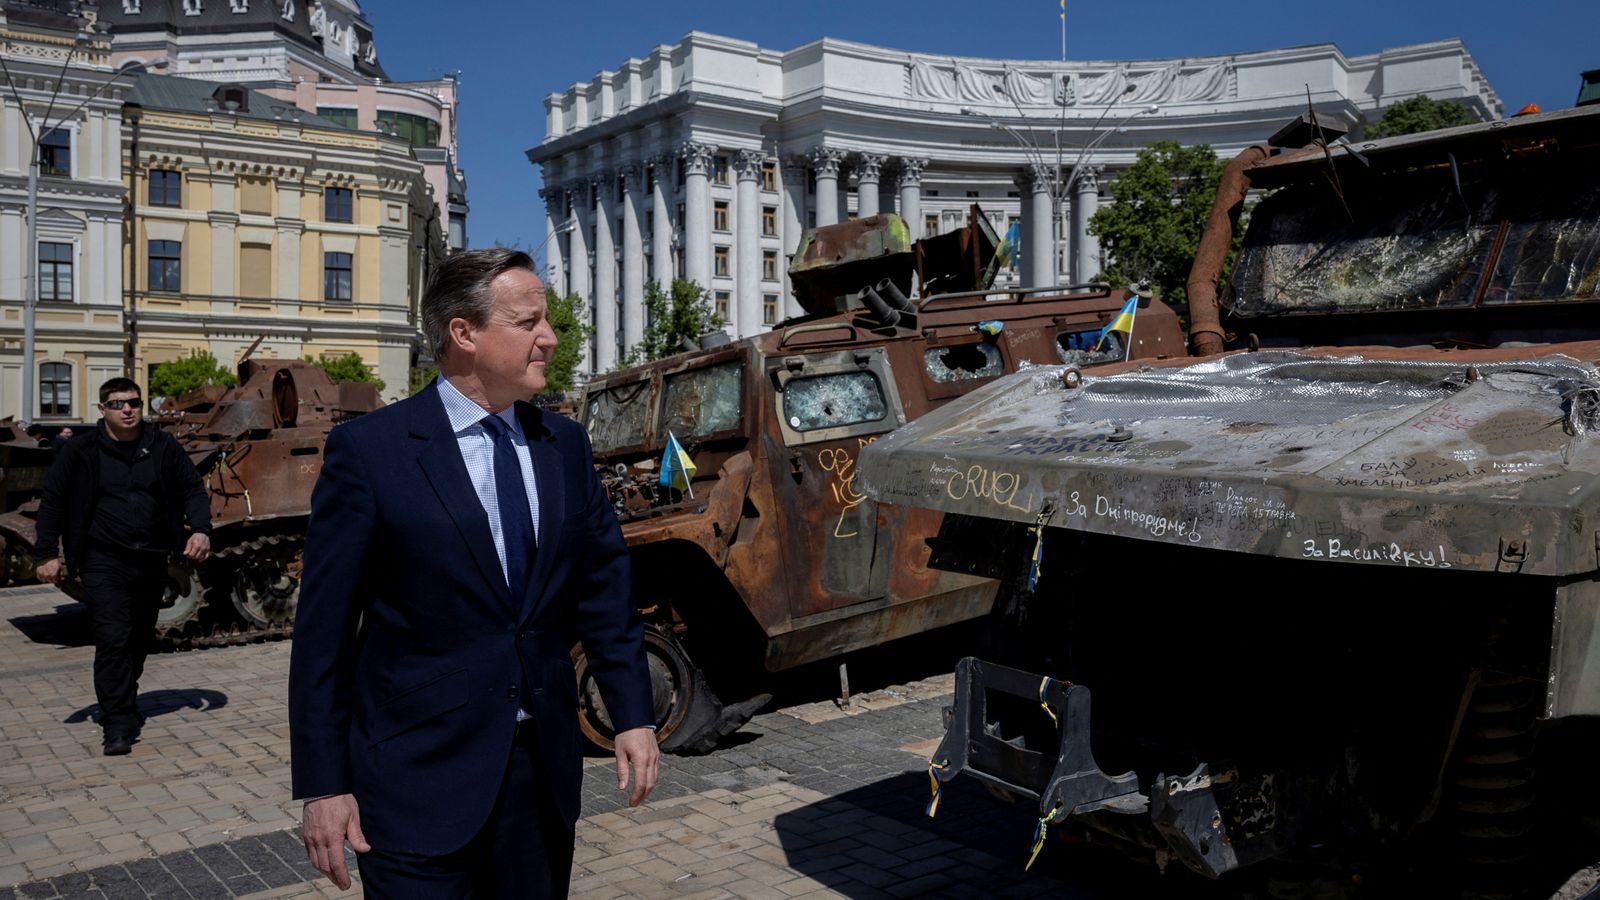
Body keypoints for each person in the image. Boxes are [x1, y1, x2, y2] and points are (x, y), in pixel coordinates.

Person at [288, 248, 658, 897]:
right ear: (464, 333)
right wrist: (323, 784)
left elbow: (605, 589)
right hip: (412, 784)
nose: (549, 337)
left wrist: (631, 712)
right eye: (528, 322)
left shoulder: (563, 447)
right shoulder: (372, 453)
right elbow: (322, 637)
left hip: (539, 781)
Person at [33, 378, 212, 756]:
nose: (127, 410)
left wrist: (200, 530)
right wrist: (46, 553)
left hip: (150, 558)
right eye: (117, 404)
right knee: (113, 637)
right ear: (102, 410)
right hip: (102, 560)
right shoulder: (81, 451)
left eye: (133, 402)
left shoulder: (162, 446)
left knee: (139, 638)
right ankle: (117, 720)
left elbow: (192, 488)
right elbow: (52, 500)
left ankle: (122, 698)